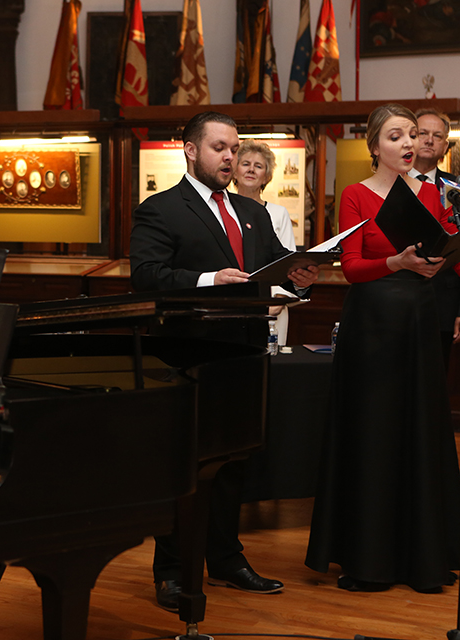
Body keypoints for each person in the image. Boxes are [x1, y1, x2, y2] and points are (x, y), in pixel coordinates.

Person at [304, 104, 460, 594]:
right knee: (373, 435)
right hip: (372, 325)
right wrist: (396, 261)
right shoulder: (354, 195)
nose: (409, 143)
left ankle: (423, 557)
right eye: (396, 136)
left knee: (421, 432)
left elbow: (450, 265)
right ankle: (367, 560)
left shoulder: (434, 194)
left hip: (416, 323)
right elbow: (350, 268)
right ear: (375, 147)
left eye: (412, 135)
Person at [131, 111, 319, 611]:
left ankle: (226, 558)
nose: (230, 157)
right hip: (189, 352)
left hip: (246, 349)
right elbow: (147, 275)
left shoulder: (250, 212)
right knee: (186, 464)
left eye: (234, 148)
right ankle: (171, 570)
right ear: (190, 150)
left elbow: (279, 263)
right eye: (219, 148)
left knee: (235, 460)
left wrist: (302, 274)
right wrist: (209, 279)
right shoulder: (162, 208)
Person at [410, 107, 460, 367]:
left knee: (434, 387)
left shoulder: (459, 191)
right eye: (422, 133)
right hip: (394, 303)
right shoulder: (388, 184)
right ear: (410, 139)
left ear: (445, 146)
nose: (429, 140)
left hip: (443, 306)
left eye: (437, 136)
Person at [233, 139, 297, 344]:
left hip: (272, 307)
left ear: (266, 177)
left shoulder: (278, 213)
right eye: (245, 164)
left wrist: (275, 303)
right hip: (231, 307)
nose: (251, 169)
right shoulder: (223, 211)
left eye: (258, 166)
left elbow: (289, 265)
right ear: (233, 170)